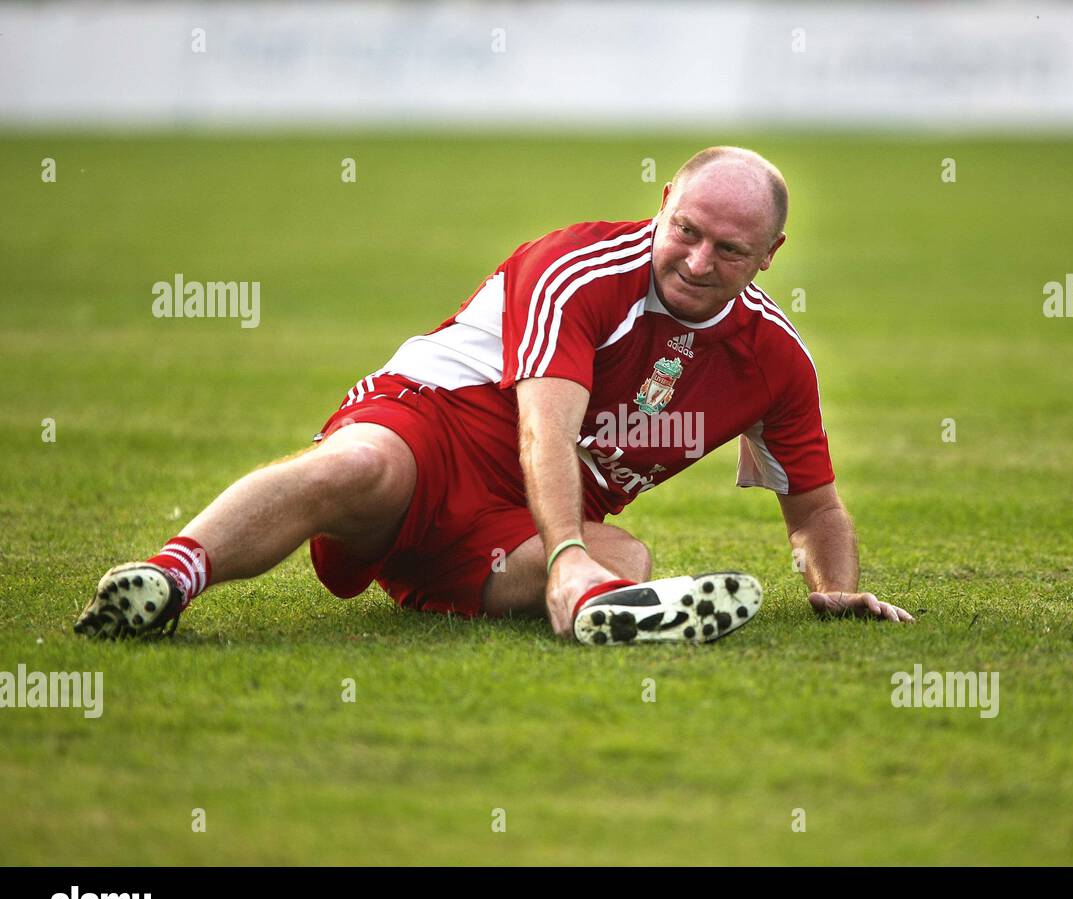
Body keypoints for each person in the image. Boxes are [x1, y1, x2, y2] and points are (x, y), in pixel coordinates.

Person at [75, 145, 913, 644]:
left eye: (730, 250)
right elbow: (546, 434)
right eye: (686, 232)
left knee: (631, 562)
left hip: (506, 523)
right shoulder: (576, 267)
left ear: (771, 254)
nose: (697, 263)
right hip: (436, 429)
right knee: (357, 466)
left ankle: (586, 600)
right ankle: (165, 581)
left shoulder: (776, 363)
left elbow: (814, 510)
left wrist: (830, 587)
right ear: (663, 206)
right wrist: (565, 556)